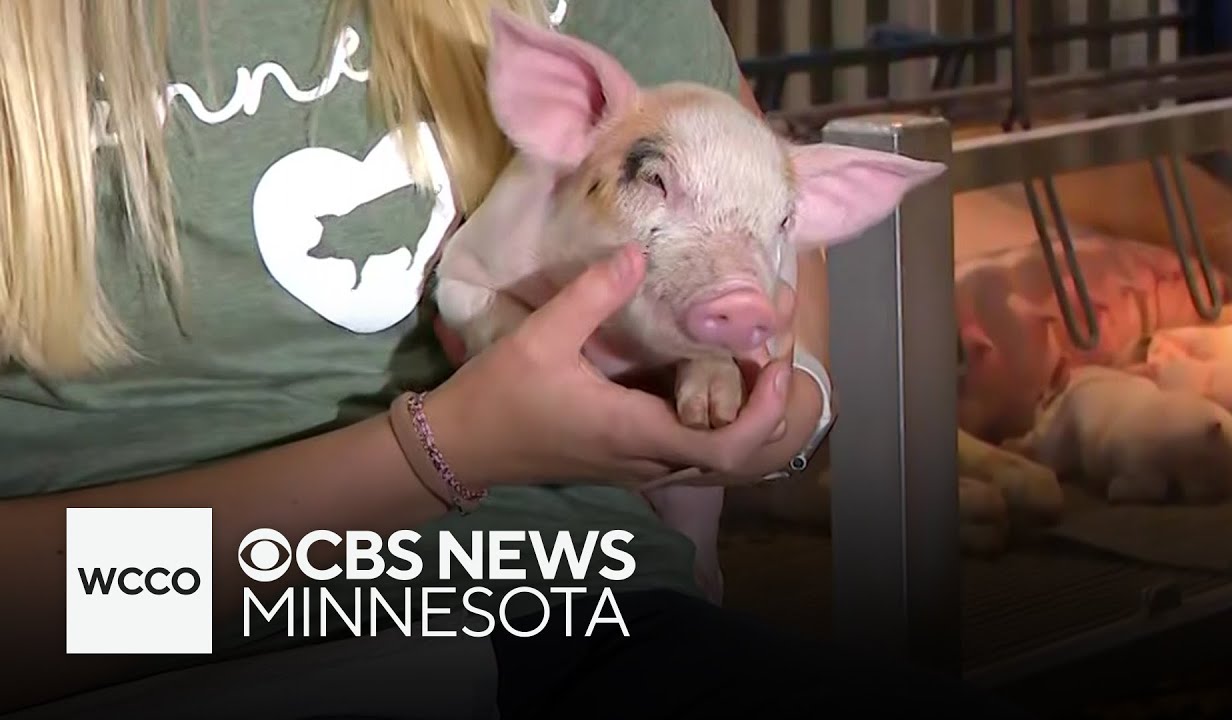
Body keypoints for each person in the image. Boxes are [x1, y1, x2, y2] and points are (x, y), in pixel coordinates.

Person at [0, 1, 1040, 718]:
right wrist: (444, 453)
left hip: (575, 604)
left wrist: (789, 392)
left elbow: (755, 203)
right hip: (177, 654)